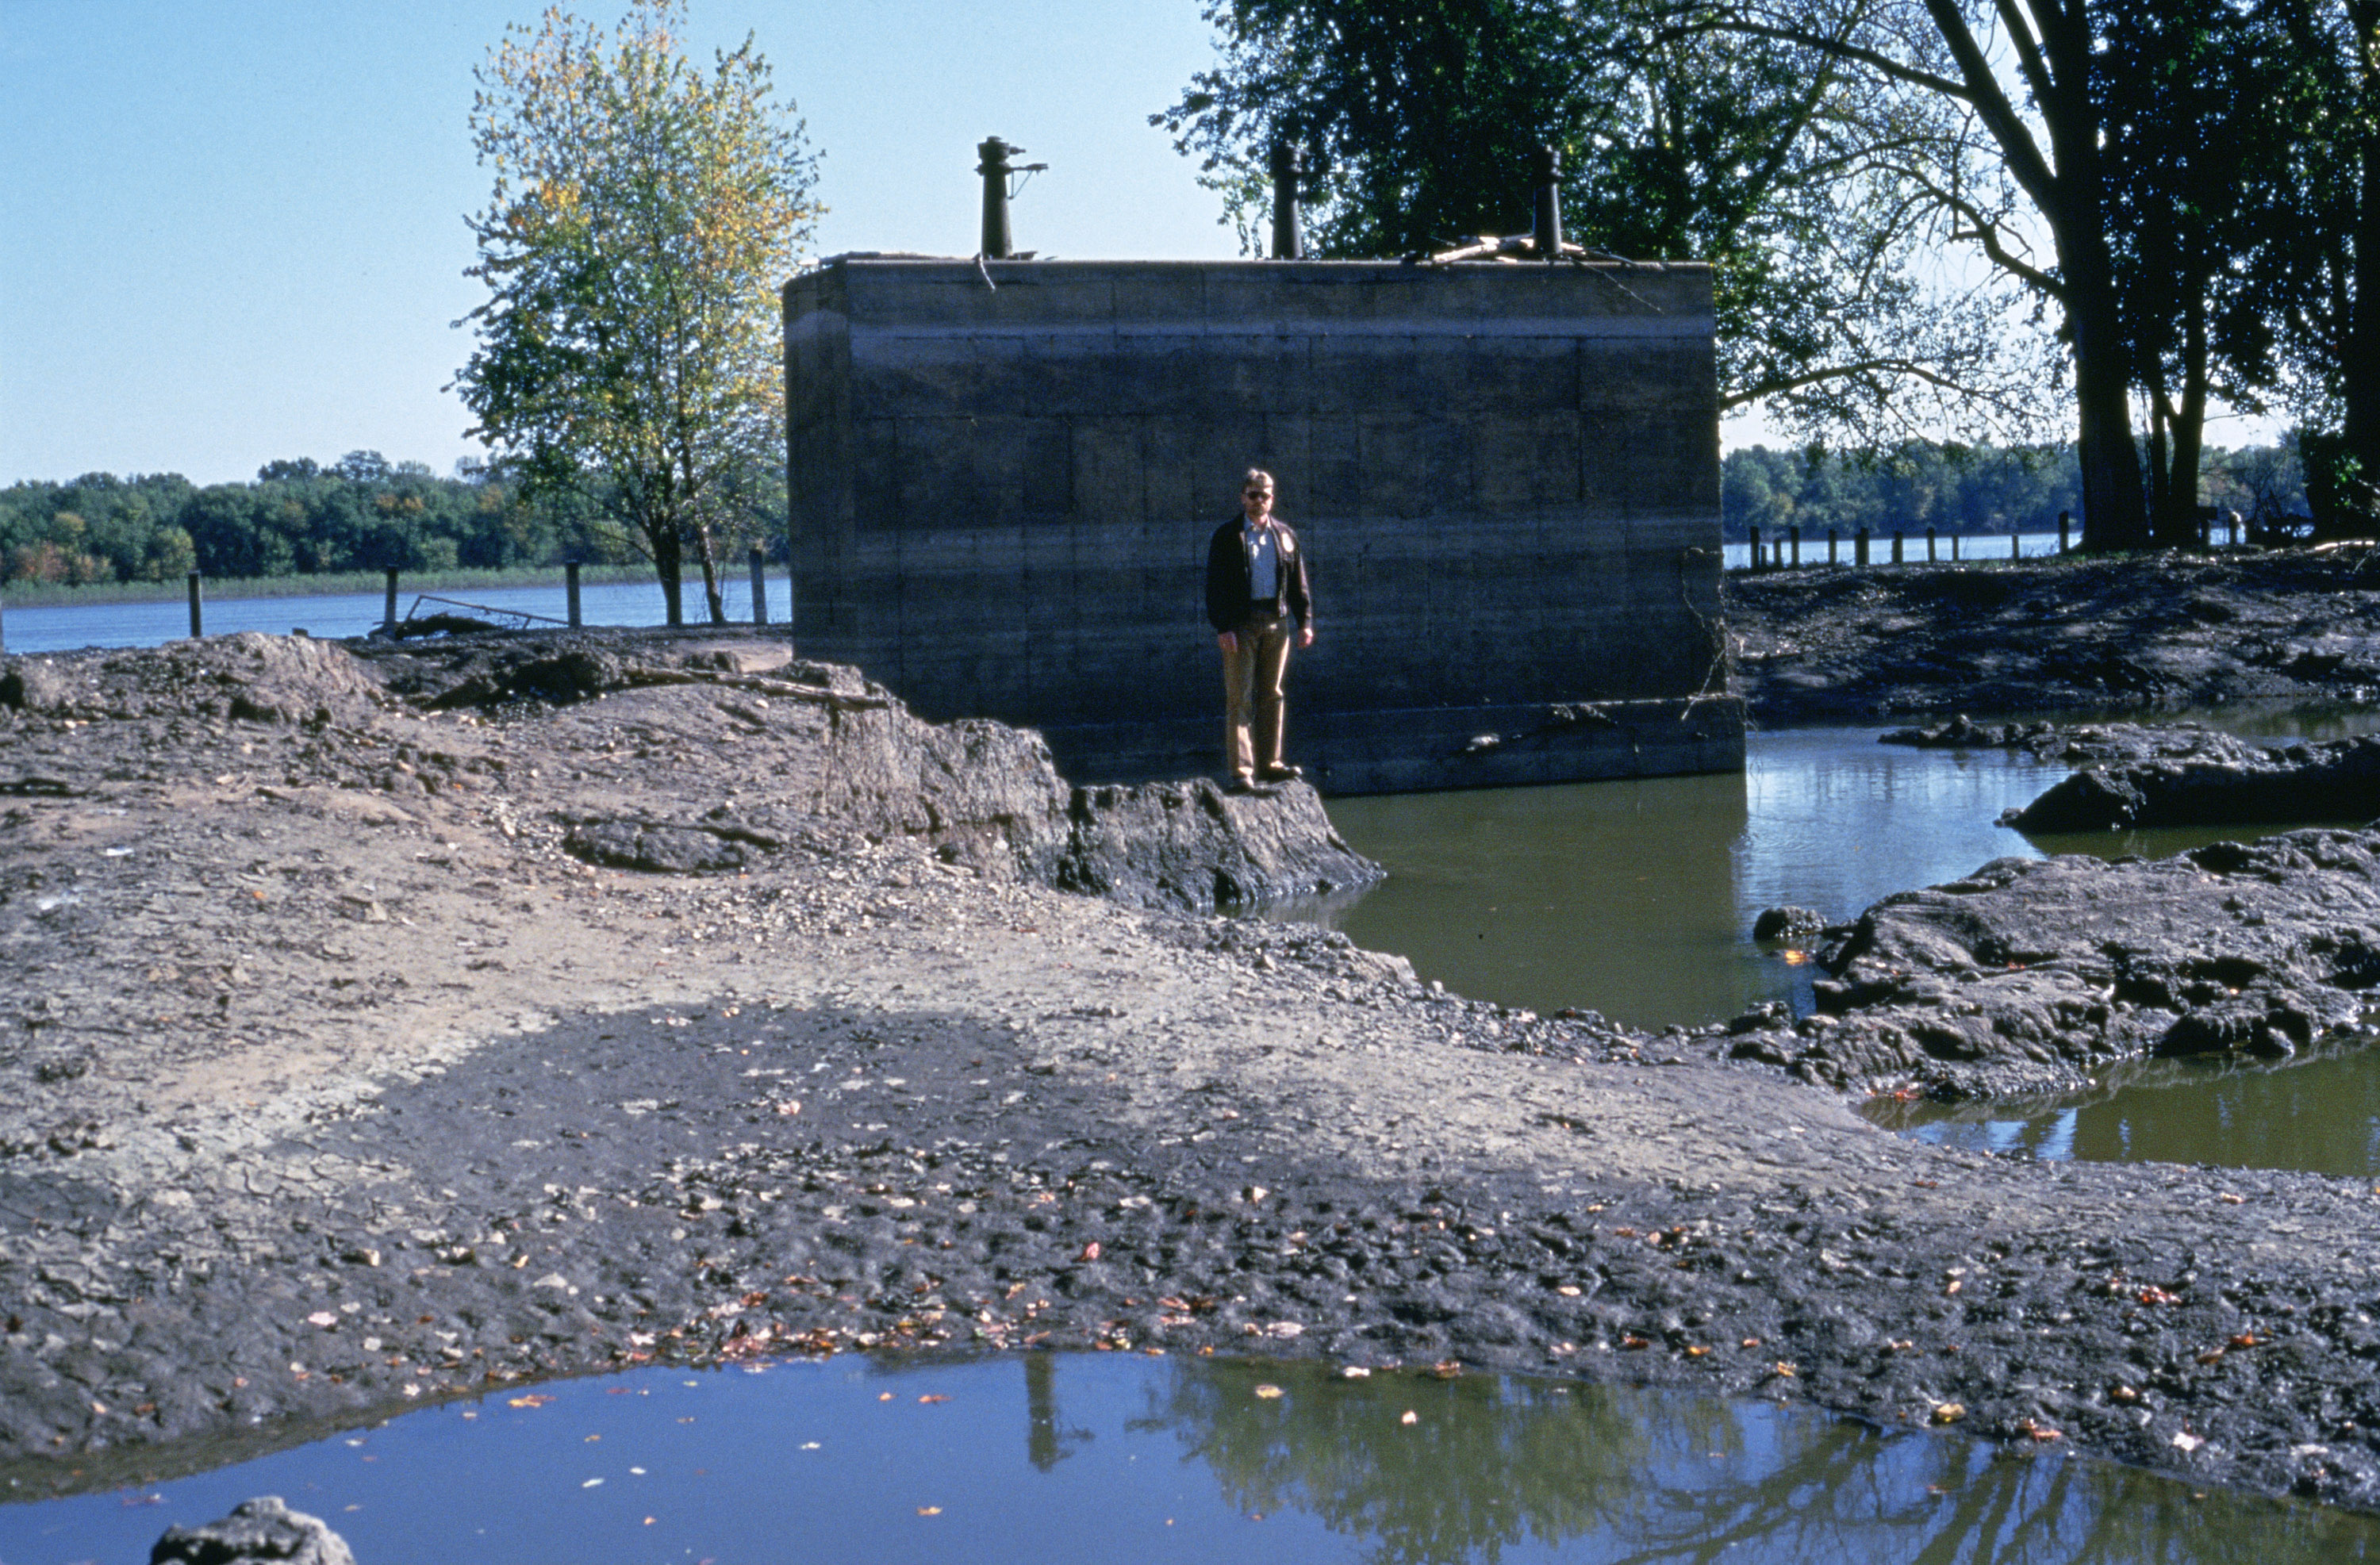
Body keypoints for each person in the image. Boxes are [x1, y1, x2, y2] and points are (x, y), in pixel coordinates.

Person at [1204, 468, 1314, 791]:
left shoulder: (1284, 535)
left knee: (1272, 694)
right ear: (1243, 497)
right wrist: (1223, 627)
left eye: (1264, 496)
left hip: (1276, 622)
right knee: (1240, 697)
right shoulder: (1228, 536)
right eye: (1253, 495)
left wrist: (1305, 622)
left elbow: (1298, 582)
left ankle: (1271, 763)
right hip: (1241, 624)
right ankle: (1242, 772)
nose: (1258, 501)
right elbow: (1214, 586)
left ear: (1272, 499)